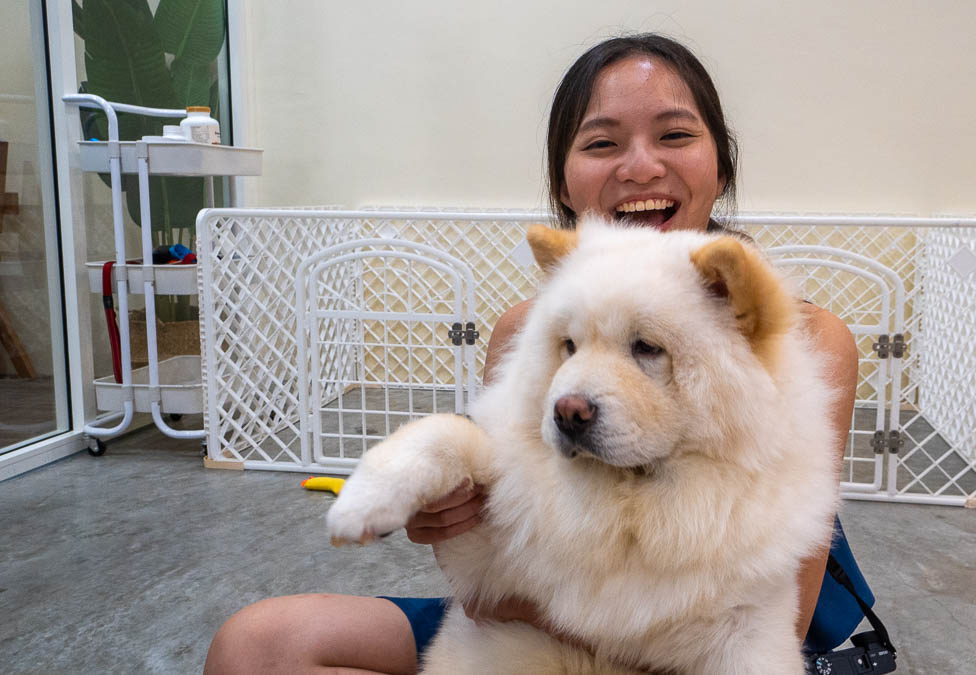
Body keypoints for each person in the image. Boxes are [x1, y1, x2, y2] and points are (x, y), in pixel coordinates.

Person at [204, 33, 860, 674]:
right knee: (256, 646)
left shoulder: (806, 341)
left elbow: (779, 622)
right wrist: (453, 513)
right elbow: (489, 586)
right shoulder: (526, 329)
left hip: (689, 645)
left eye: (674, 135)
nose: (640, 167)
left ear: (721, 164)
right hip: (533, 621)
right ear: (564, 177)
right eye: (602, 143)